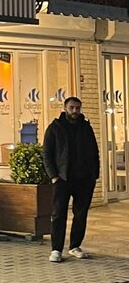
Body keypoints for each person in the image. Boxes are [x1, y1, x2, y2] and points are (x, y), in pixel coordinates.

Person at [42, 96, 100, 263]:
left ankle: (75, 246)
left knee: (80, 214)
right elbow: (46, 153)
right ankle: (56, 249)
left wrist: (94, 175)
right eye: (72, 108)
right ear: (65, 108)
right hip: (62, 178)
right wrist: (53, 176)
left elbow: (94, 152)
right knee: (58, 214)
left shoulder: (86, 127)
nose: (75, 111)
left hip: (84, 180)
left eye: (77, 108)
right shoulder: (55, 128)